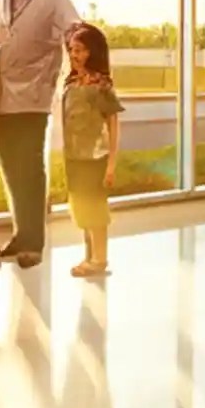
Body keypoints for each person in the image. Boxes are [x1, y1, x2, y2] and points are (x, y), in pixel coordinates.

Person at [0, 0, 80, 268]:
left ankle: (34, 241)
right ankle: (20, 232)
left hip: (34, 94)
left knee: (29, 167)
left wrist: (73, 73)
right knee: (9, 166)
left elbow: (76, 32)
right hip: (3, 96)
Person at [61, 23, 123, 278]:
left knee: (95, 208)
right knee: (81, 207)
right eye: (71, 50)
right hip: (74, 156)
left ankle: (100, 259)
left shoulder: (100, 86)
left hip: (95, 157)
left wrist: (111, 165)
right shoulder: (71, 84)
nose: (74, 55)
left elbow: (113, 124)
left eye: (79, 50)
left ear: (92, 53)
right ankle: (89, 255)